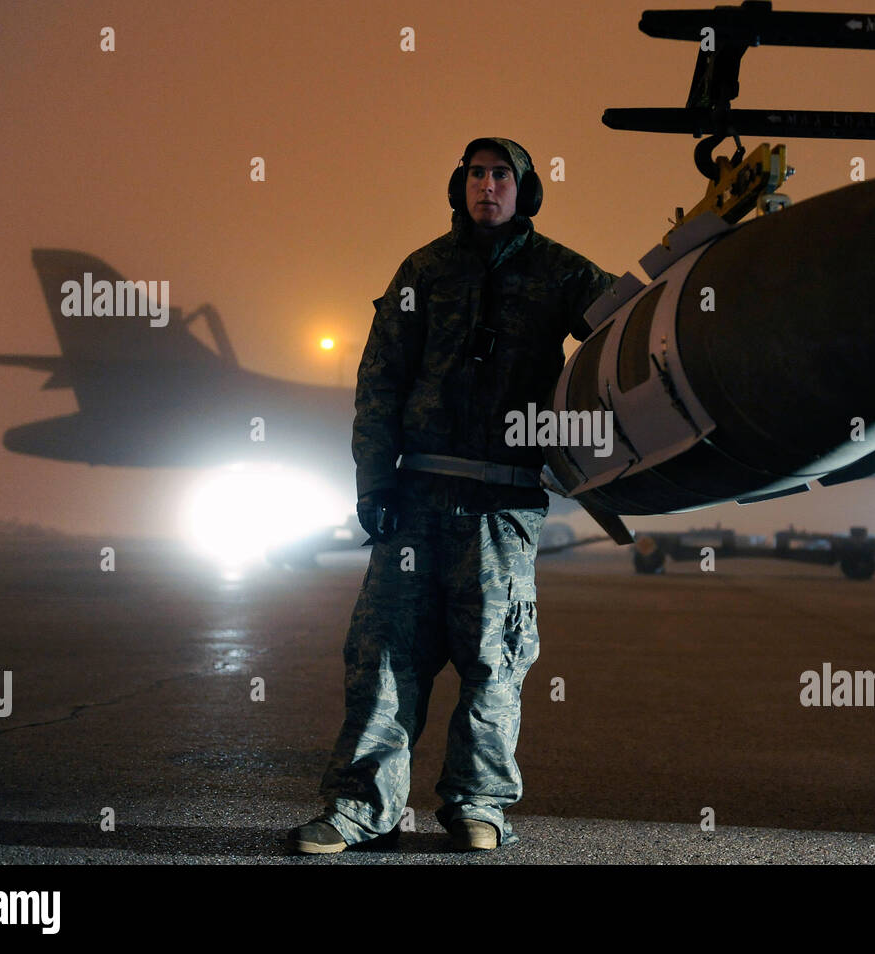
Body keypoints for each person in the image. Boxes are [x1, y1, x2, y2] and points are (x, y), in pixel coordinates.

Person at [290, 137, 615, 852]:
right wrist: (373, 481)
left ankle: (479, 806)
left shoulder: (562, 273)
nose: (487, 187)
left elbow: (627, 334)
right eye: (476, 174)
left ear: (523, 189)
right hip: (416, 500)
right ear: (459, 185)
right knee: (383, 656)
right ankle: (360, 810)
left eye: (501, 175)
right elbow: (379, 382)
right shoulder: (424, 271)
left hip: (501, 508)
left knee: (494, 659)